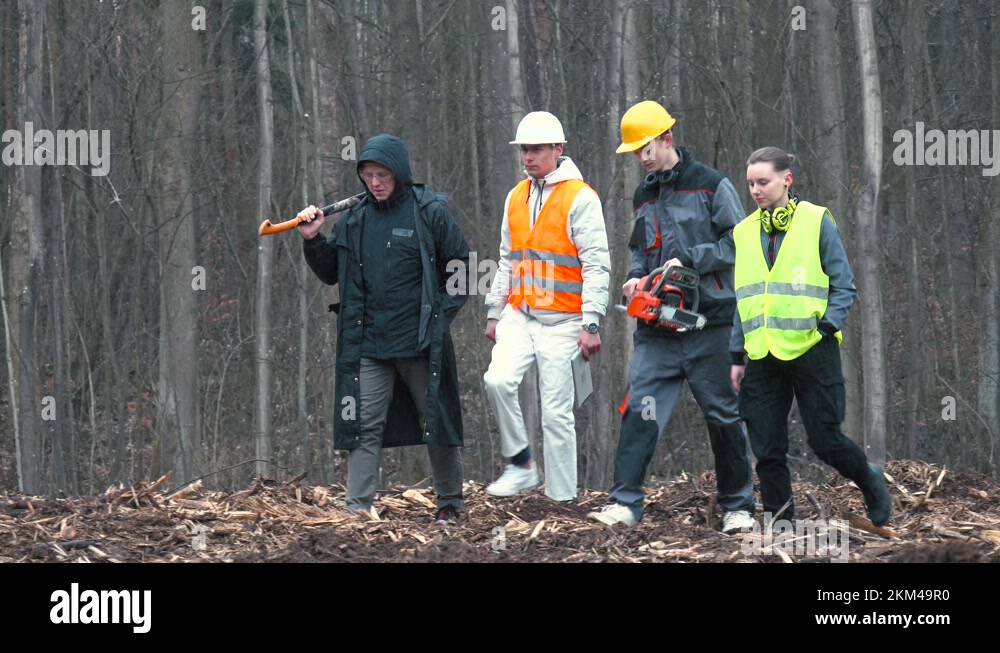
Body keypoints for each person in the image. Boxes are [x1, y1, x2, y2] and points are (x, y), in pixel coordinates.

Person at [588, 100, 755, 532]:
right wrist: (635, 279)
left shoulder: (712, 185)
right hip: (657, 328)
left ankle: (738, 507)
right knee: (638, 409)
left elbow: (740, 244)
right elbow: (640, 251)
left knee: (723, 415)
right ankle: (625, 502)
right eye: (636, 152)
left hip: (711, 324)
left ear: (667, 139)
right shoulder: (643, 194)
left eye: (647, 148)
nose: (642, 158)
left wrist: (689, 261)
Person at [296, 133, 469, 523]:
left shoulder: (429, 211)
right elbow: (330, 273)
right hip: (370, 345)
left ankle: (450, 506)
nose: (374, 183)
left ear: (400, 173)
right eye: (368, 175)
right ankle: (358, 510)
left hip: (421, 343)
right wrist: (312, 240)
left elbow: (461, 266)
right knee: (363, 423)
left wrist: (439, 319)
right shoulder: (355, 218)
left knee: (436, 421)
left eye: (382, 175)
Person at [729, 146, 891, 526]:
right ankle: (780, 524)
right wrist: (737, 355)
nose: (756, 189)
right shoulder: (743, 232)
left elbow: (844, 285)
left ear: (787, 179)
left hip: (812, 349)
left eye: (763, 181)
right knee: (767, 447)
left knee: (825, 440)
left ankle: (870, 479)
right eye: (751, 183)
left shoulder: (817, 221)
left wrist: (827, 327)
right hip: (762, 354)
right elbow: (743, 297)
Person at [482, 111, 611, 502]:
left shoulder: (580, 197)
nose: (528, 157)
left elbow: (596, 264)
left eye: (536, 149)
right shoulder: (515, 197)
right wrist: (494, 309)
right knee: (497, 381)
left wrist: (591, 322)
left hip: (565, 321)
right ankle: (521, 464)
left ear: (558, 149)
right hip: (520, 314)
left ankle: (562, 499)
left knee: (556, 414)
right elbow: (507, 258)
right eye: (524, 149)